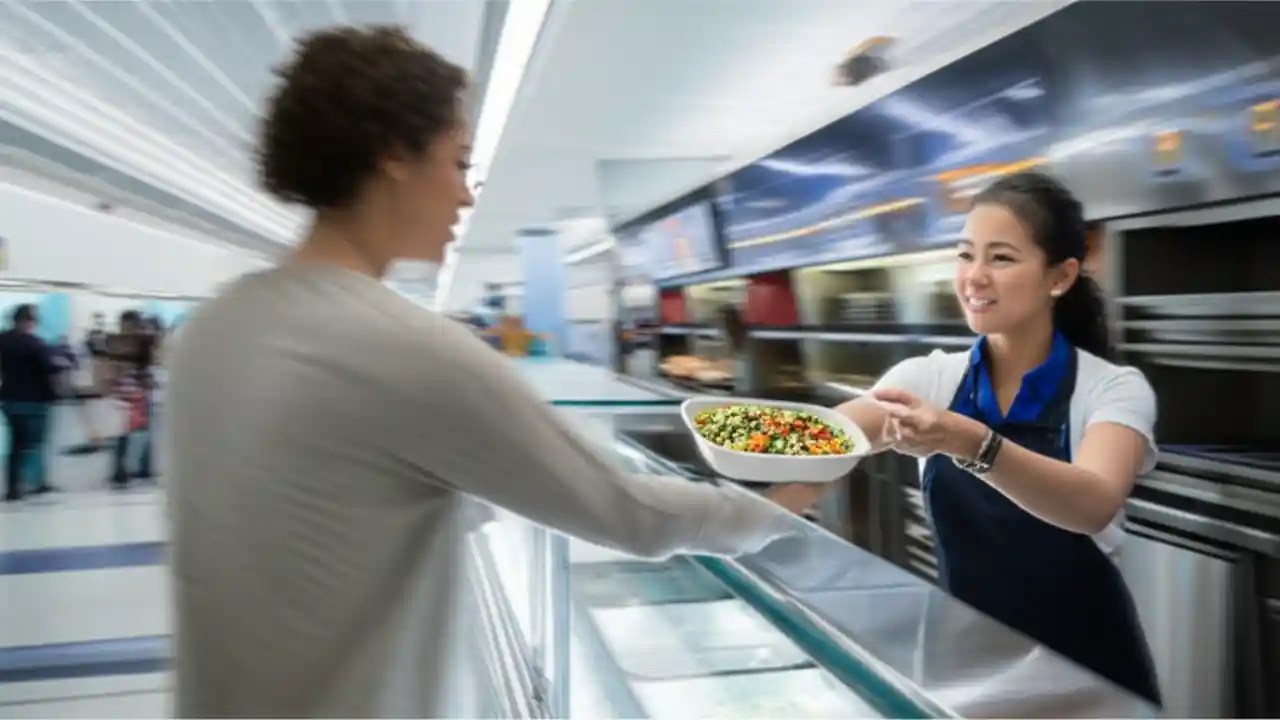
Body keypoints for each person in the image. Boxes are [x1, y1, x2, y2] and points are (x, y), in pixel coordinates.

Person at [164, 26, 818, 718]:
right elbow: (629, 513)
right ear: (394, 155)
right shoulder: (398, 345)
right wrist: (782, 508)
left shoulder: (214, 328)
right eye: (458, 163)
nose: (465, 198)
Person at [834, 171, 1161, 703]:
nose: (974, 277)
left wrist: (971, 442)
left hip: (1088, 682)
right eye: (966, 255)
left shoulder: (1112, 388)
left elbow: (1093, 503)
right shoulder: (930, 379)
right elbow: (825, 438)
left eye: (1001, 258)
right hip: (966, 670)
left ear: (1060, 276)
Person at [0, 304, 58, 500]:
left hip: (10, 400)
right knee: (34, 444)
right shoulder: (35, 344)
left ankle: (13, 488)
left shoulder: (3, 340)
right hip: (34, 400)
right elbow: (49, 368)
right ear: (29, 321)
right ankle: (36, 484)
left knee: (15, 446)